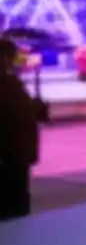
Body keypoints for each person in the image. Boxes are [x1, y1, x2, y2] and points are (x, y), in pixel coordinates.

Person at [0, 38, 39, 220]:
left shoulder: (12, 83)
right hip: (12, 152)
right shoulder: (10, 85)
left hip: (16, 152)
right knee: (13, 205)